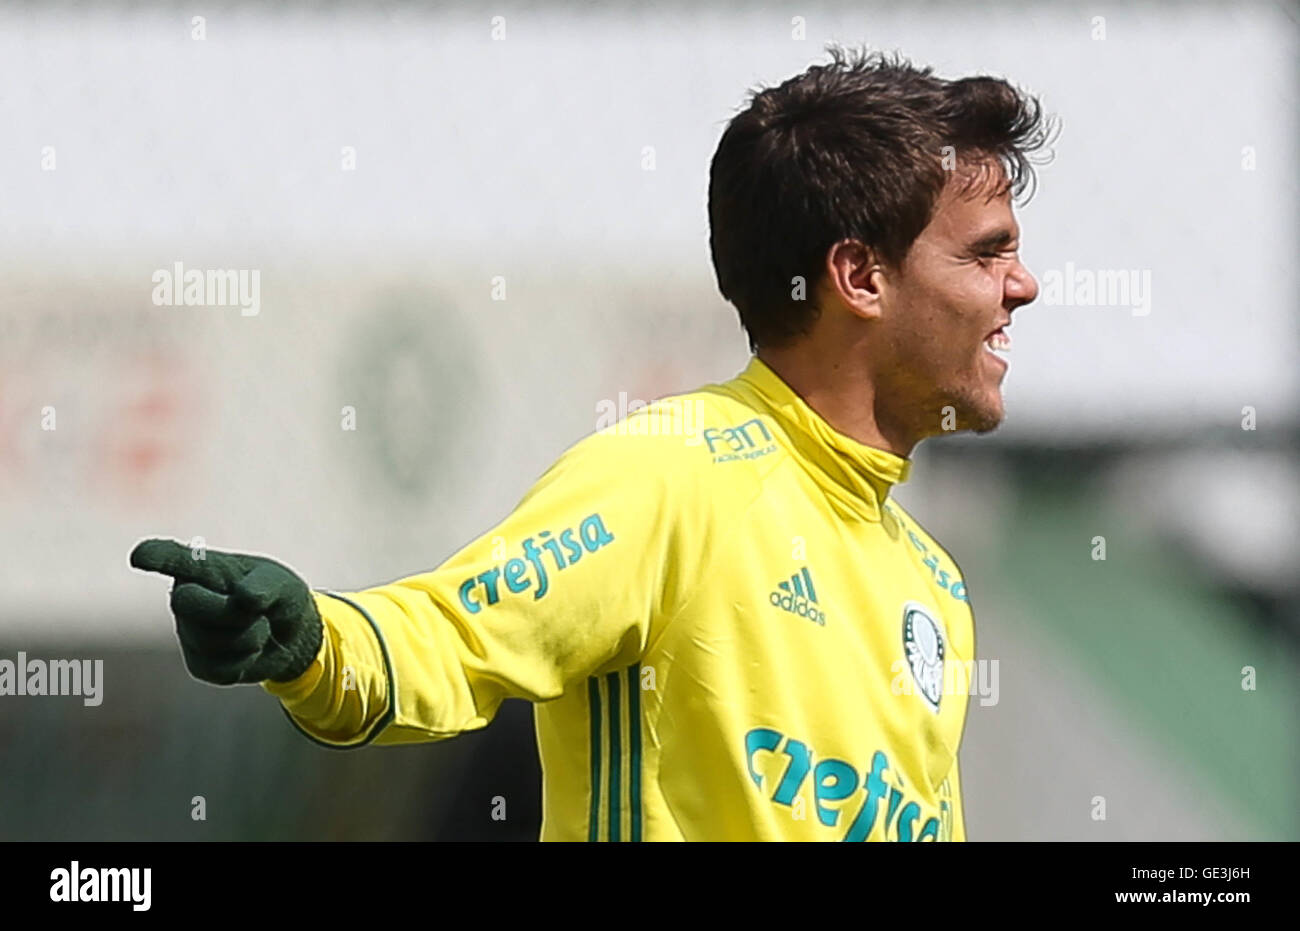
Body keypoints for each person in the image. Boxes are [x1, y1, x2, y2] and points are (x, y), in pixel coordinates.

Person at [131, 46, 1051, 841]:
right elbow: (455, 638)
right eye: (985, 253)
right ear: (858, 276)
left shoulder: (931, 580)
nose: (1025, 285)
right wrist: (310, 642)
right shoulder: (675, 477)